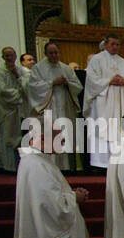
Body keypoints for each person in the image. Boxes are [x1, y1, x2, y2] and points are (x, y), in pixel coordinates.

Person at [25, 42, 83, 171]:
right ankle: (51, 167)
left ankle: (69, 168)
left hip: (65, 107)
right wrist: (52, 83)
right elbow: (34, 87)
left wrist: (68, 83)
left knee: (66, 135)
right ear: (45, 54)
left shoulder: (66, 68)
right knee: (51, 135)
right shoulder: (38, 68)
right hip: (49, 108)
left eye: (56, 52)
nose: (54, 55)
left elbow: (78, 86)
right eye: (51, 53)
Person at [83, 35, 124, 171]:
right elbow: (91, 80)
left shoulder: (123, 63)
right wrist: (108, 81)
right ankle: (101, 164)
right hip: (103, 102)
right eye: (112, 44)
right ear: (105, 44)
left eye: (117, 44)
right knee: (102, 129)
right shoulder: (96, 60)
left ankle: (121, 160)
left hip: (120, 101)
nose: (115, 47)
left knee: (120, 130)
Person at [0, 47, 30, 172]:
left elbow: (29, 87)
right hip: (7, 112)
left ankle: (25, 167)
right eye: (7, 56)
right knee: (8, 140)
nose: (10, 58)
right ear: (3, 58)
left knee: (24, 139)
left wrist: (18, 77)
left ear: (16, 56)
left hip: (22, 112)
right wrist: (19, 95)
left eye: (11, 55)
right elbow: (3, 92)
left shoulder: (22, 71)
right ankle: (10, 168)